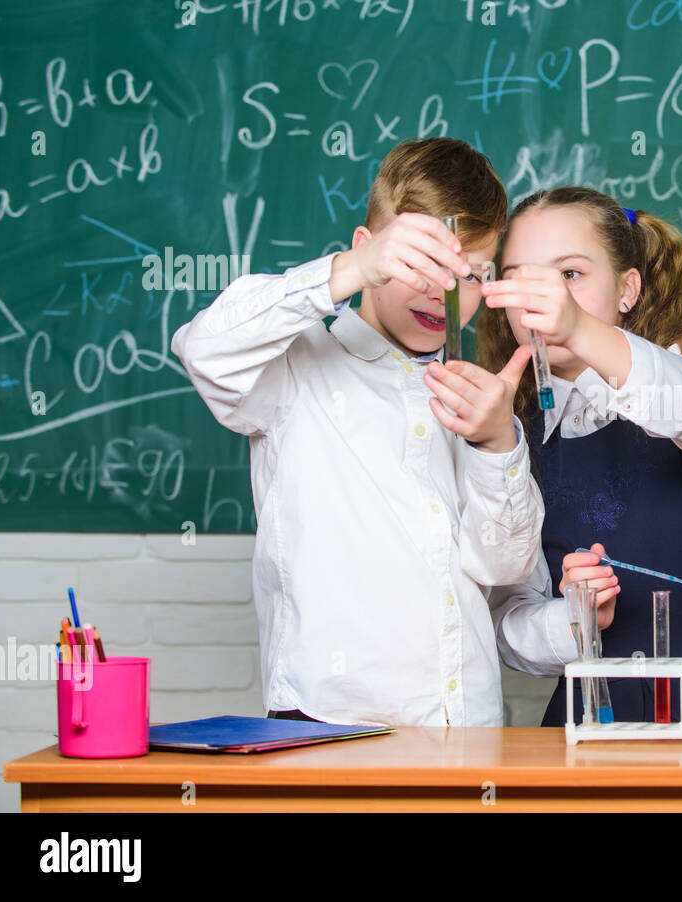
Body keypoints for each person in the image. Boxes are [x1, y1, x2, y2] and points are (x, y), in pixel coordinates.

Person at [172, 138, 543, 727]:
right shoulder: (293, 367)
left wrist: (497, 443)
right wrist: (344, 274)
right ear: (369, 252)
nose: (442, 293)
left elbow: (504, 569)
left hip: (466, 724)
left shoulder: (479, 398)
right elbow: (203, 348)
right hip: (329, 726)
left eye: (469, 276)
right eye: (420, 265)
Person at [481, 186, 682, 726]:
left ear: (627, 289)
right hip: (599, 715)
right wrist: (573, 619)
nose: (543, 300)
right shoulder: (514, 432)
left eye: (569, 275)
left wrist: (577, 327)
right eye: (520, 279)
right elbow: (508, 621)